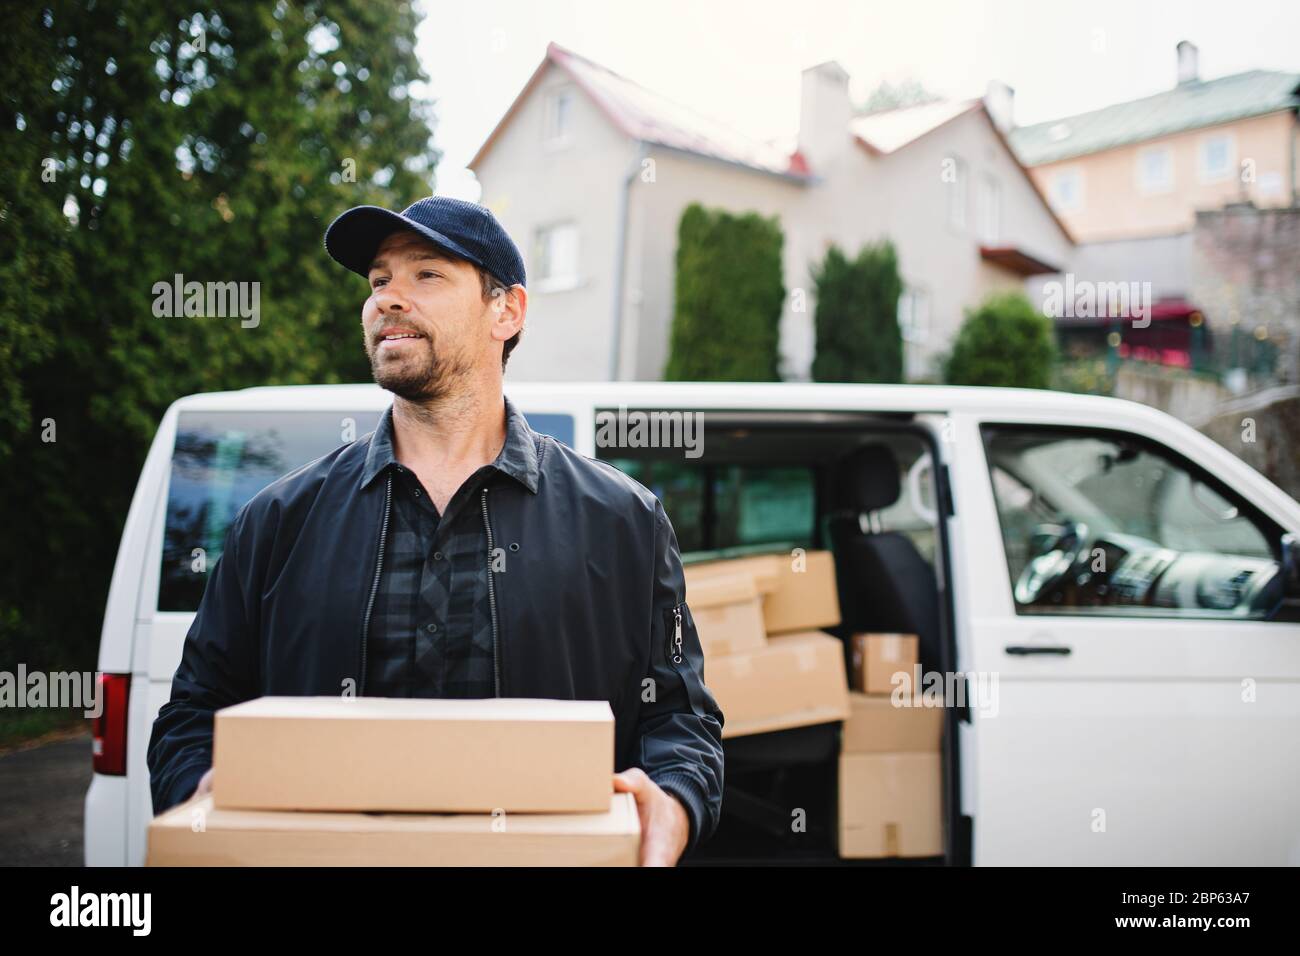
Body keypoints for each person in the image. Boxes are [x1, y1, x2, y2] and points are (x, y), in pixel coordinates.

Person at [147, 196, 725, 866]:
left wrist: (674, 804)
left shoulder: (623, 521)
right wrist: (202, 795)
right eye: (378, 281)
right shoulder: (277, 522)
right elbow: (191, 714)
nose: (388, 298)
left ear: (505, 312)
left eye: (426, 275)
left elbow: (679, 718)